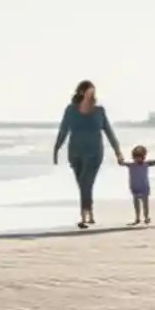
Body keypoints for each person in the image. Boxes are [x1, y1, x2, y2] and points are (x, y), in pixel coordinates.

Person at [54, 80, 123, 228]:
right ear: (81, 92)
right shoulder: (70, 110)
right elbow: (63, 130)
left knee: (86, 182)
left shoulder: (99, 111)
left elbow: (109, 132)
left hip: (94, 153)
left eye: (93, 92)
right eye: (89, 92)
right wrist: (56, 148)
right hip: (75, 153)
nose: (92, 95)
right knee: (82, 184)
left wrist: (118, 152)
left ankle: (84, 216)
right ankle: (89, 211)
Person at [116, 145, 155, 225]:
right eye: (135, 157)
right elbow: (121, 163)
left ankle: (146, 217)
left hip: (144, 187)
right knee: (136, 204)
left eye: (139, 157)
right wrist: (119, 157)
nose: (137, 159)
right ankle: (137, 218)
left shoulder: (146, 164)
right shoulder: (131, 165)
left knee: (145, 203)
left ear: (143, 157)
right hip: (134, 187)